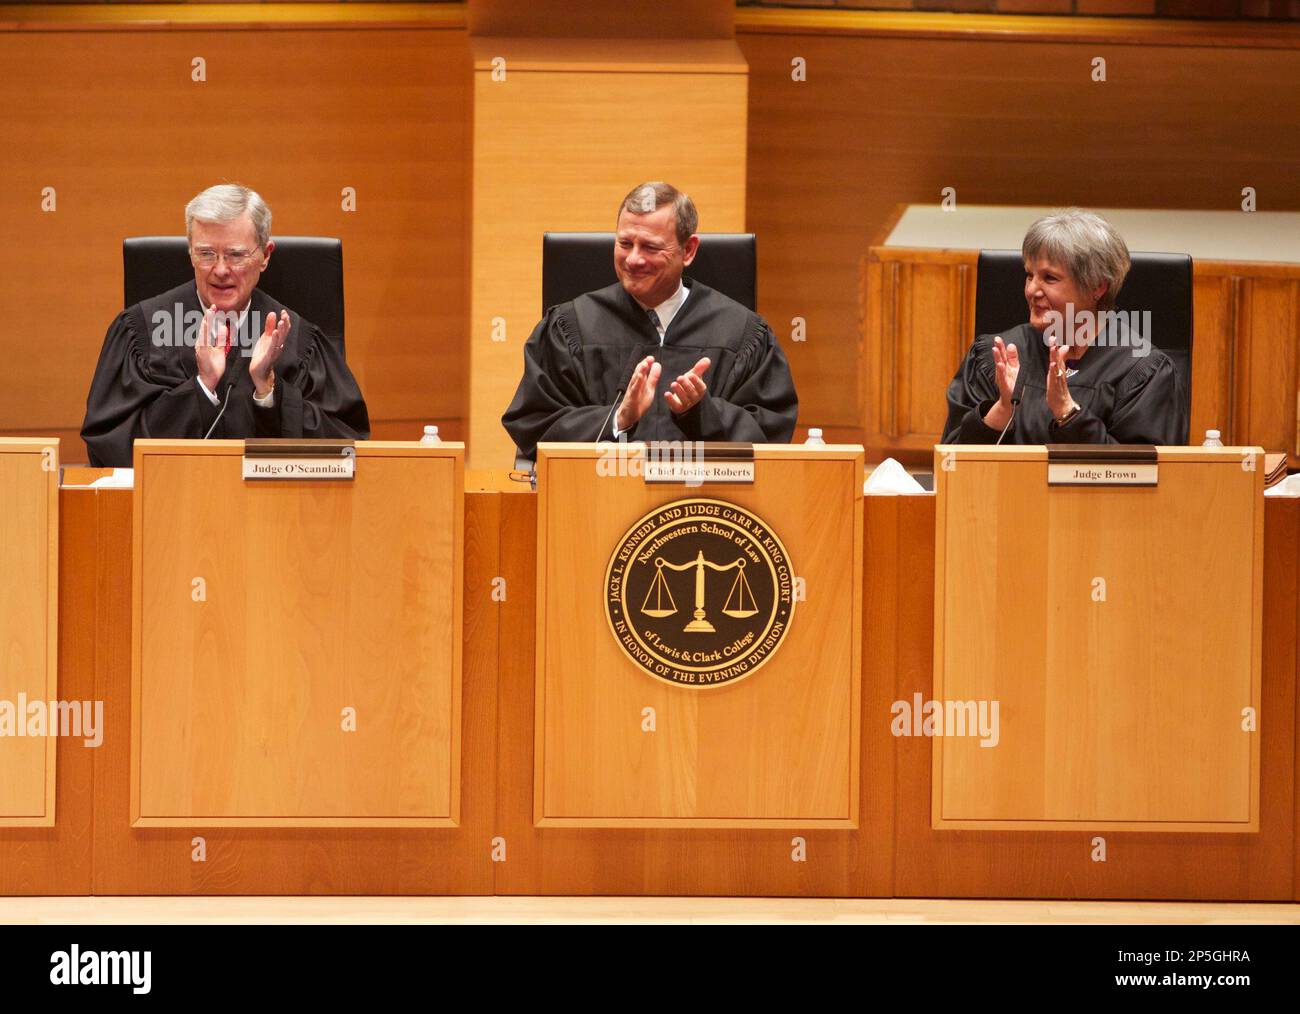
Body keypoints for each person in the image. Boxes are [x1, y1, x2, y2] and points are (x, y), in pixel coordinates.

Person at [502, 181, 798, 459]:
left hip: (702, 506)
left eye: (650, 247)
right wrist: (617, 419)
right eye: (625, 243)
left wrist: (701, 412)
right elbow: (534, 423)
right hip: (597, 500)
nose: (633, 259)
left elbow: (771, 436)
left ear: (689, 250)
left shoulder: (741, 333)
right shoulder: (572, 327)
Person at [81, 184, 370, 466]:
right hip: (169, 507)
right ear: (190, 253)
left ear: (265, 255)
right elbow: (109, 447)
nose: (220, 270)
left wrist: (268, 390)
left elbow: (347, 449)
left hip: (273, 510)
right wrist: (201, 387)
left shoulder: (299, 340)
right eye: (206, 254)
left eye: (235, 255)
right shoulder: (141, 331)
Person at [942, 208, 1186, 445]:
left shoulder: (1142, 371)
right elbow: (951, 461)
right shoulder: (997, 356)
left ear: (1097, 287)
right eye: (1029, 275)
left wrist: (1068, 414)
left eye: (1050, 278)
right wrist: (1003, 409)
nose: (1031, 290)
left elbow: (1145, 476)